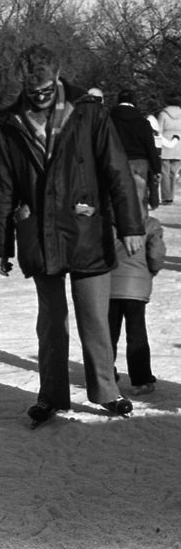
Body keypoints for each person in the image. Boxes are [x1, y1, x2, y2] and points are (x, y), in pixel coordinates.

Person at [0, 44, 145, 425]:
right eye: (32, 92)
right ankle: (51, 395)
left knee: (94, 316)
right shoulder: (11, 122)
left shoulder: (88, 113)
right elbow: (3, 184)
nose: (39, 99)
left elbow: (116, 170)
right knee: (51, 321)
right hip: (39, 234)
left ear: (57, 78)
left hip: (86, 227)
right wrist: (0, 243)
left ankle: (106, 390)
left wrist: (130, 226)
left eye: (45, 91)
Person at [108, 167, 165, 397]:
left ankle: (105, 374)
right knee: (136, 332)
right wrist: (152, 270)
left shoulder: (109, 223)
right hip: (136, 288)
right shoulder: (150, 224)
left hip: (110, 286)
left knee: (108, 333)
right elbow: (156, 255)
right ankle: (141, 379)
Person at [110, 89, 161, 212]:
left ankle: (119, 226)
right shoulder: (142, 122)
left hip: (116, 160)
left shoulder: (110, 120)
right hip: (139, 162)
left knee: (117, 196)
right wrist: (156, 168)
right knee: (139, 197)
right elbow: (150, 146)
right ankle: (140, 225)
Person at [156, 93, 181, 204]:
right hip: (178, 145)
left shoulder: (163, 114)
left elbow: (159, 131)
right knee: (173, 173)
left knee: (164, 173)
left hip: (166, 145)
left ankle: (166, 198)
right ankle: (171, 195)